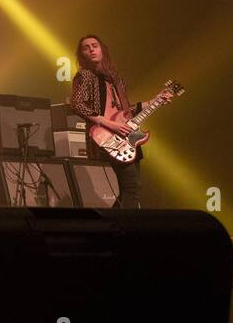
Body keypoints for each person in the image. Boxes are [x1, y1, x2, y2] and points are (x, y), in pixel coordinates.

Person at [68, 34, 172, 209]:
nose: (91, 49)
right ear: (82, 54)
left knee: (128, 190)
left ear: (103, 49)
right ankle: (126, 230)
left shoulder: (116, 79)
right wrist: (108, 123)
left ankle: (111, 228)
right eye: (86, 48)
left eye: (95, 45)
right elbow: (77, 104)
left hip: (127, 136)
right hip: (107, 135)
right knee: (132, 187)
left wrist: (155, 100)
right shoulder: (85, 76)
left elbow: (126, 111)